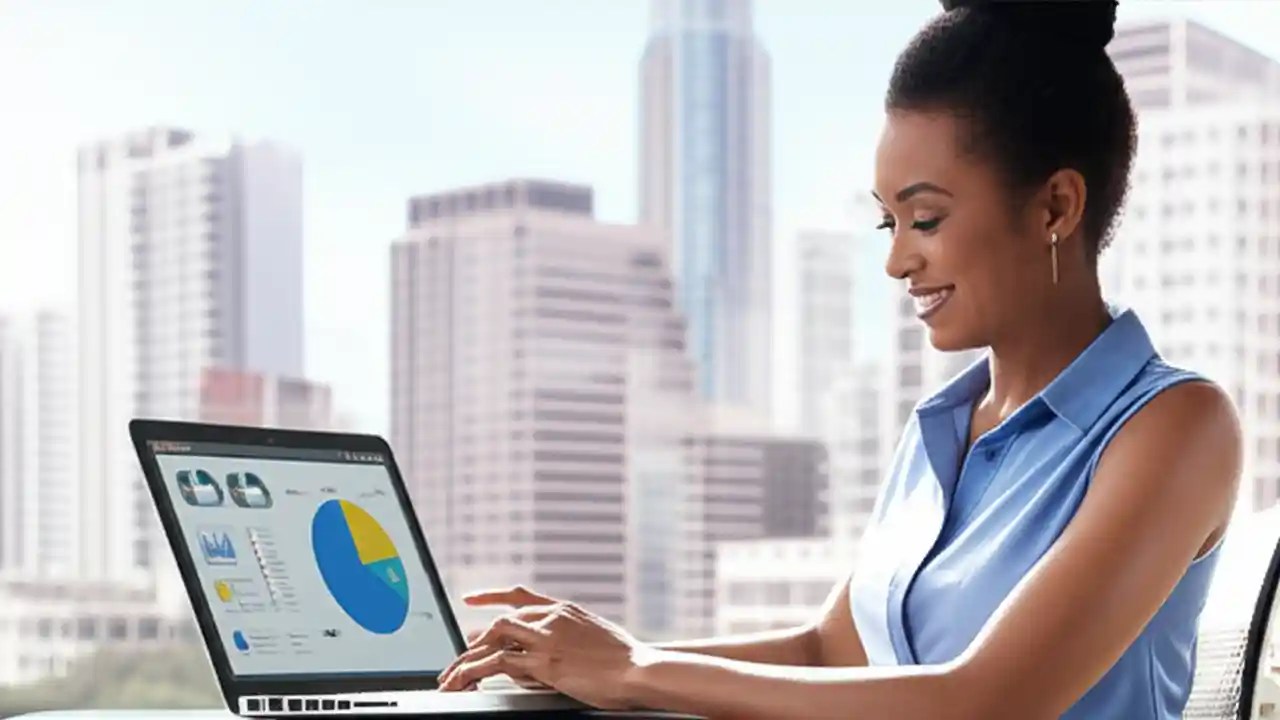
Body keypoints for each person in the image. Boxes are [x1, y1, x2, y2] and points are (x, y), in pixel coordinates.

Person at [437, 1, 1242, 717]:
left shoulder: (1175, 426)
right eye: (887, 224)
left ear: (1056, 206)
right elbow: (831, 653)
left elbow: (987, 699)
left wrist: (640, 669)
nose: (896, 263)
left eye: (924, 219)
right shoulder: (939, 430)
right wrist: (594, 661)